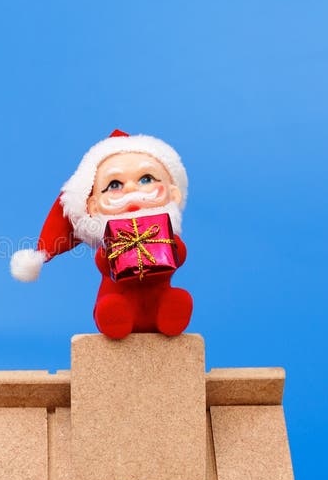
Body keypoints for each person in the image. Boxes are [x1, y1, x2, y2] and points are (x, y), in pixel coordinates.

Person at [10, 130, 193, 339]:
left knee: (173, 298)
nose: (132, 188)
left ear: (174, 194)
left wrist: (174, 248)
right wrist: (112, 255)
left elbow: (180, 256)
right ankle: (114, 316)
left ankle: (170, 311)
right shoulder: (111, 240)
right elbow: (105, 265)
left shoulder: (165, 235)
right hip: (119, 298)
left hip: (159, 296)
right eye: (114, 184)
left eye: (146, 178)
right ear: (93, 206)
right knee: (112, 304)